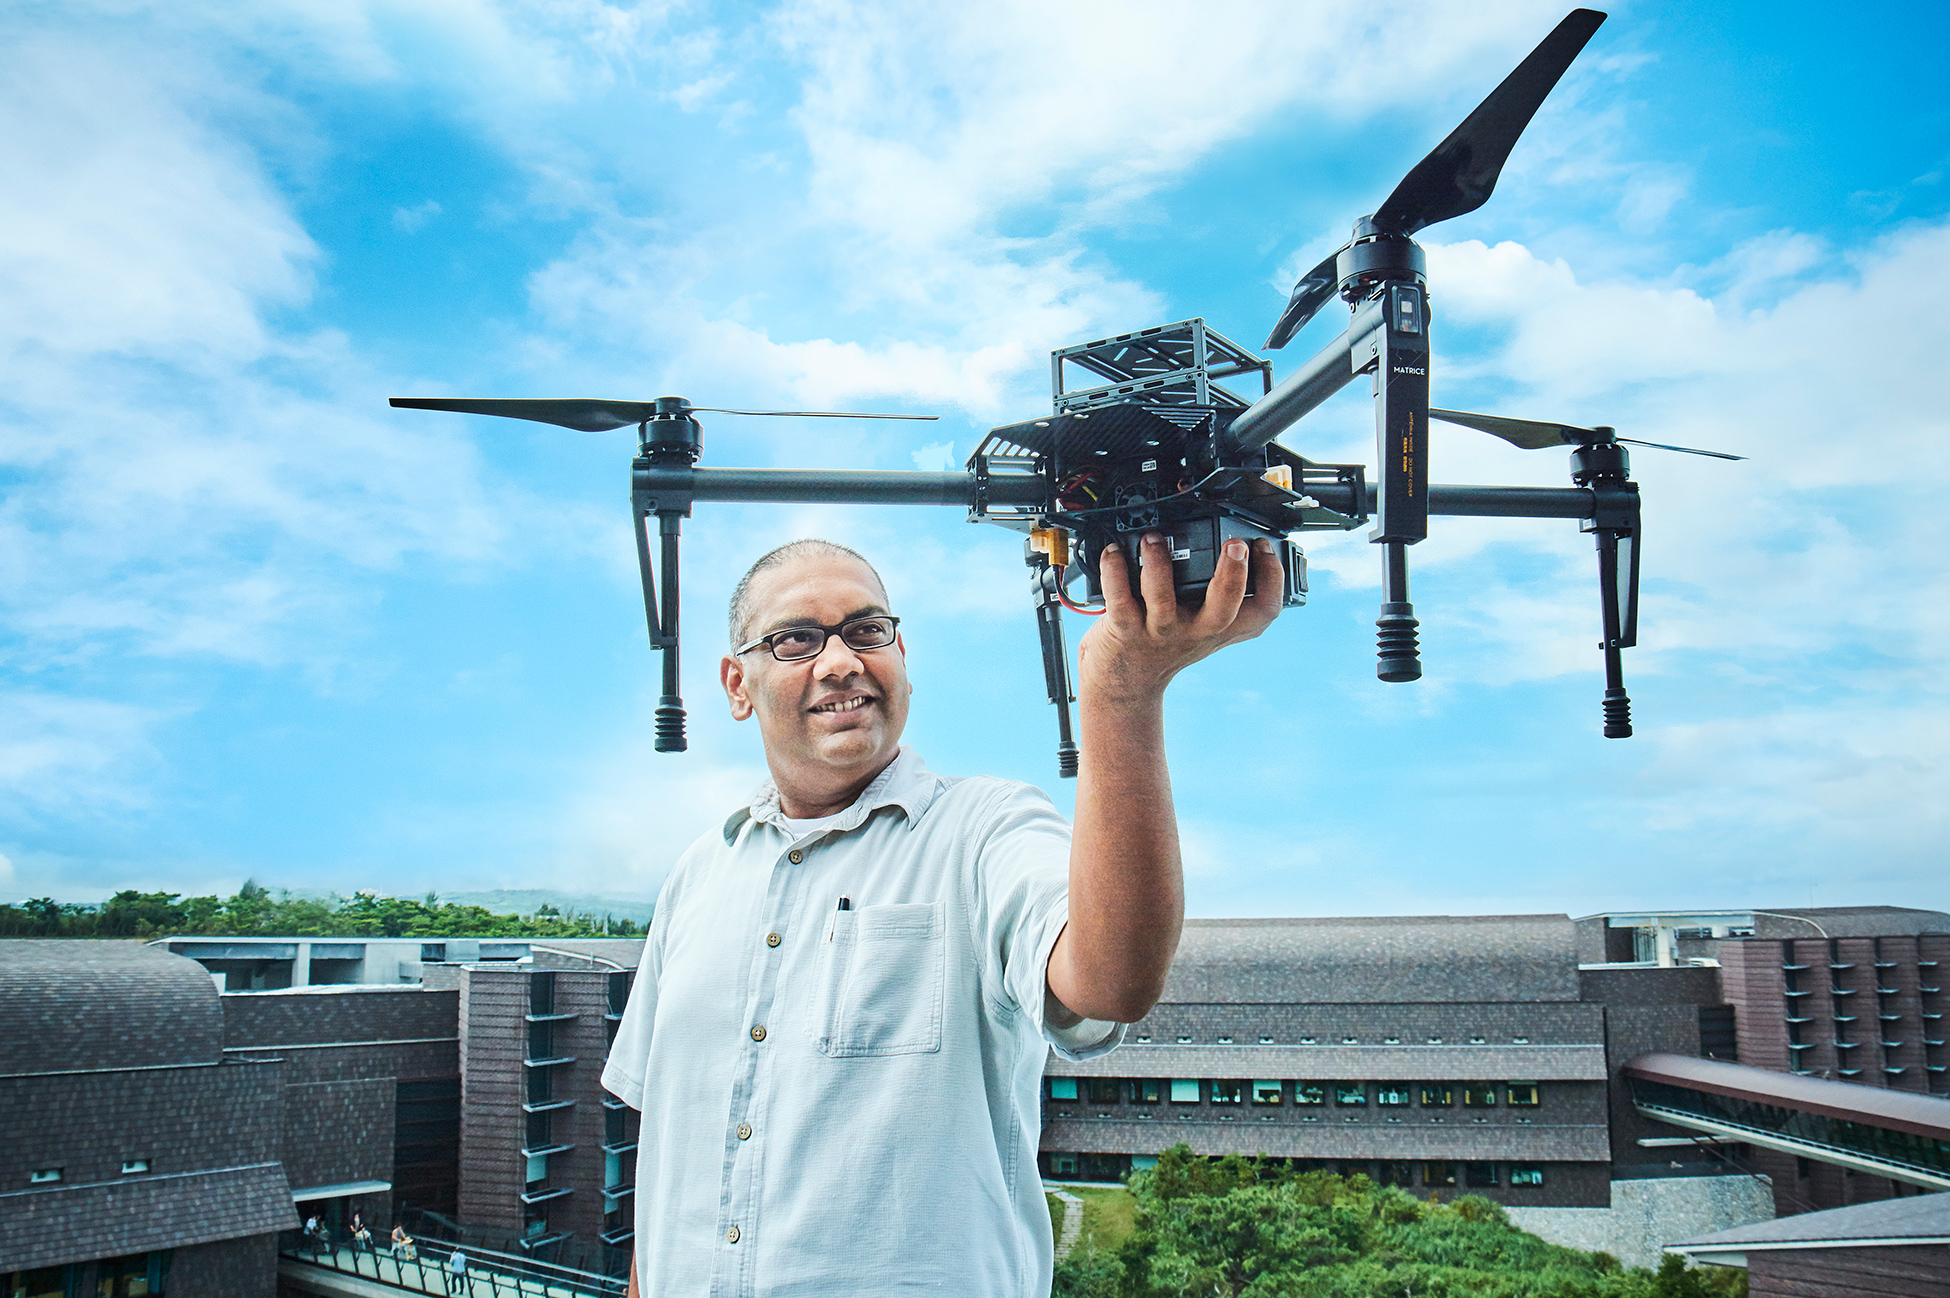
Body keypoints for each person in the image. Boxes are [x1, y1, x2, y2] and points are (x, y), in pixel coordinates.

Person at [601, 533, 1282, 1297]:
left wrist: (1122, 691)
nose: (841, 662)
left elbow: (1110, 981)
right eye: (796, 639)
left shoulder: (985, 830)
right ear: (737, 685)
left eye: (867, 631)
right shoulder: (699, 874)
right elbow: (667, 1152)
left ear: (902, 658)